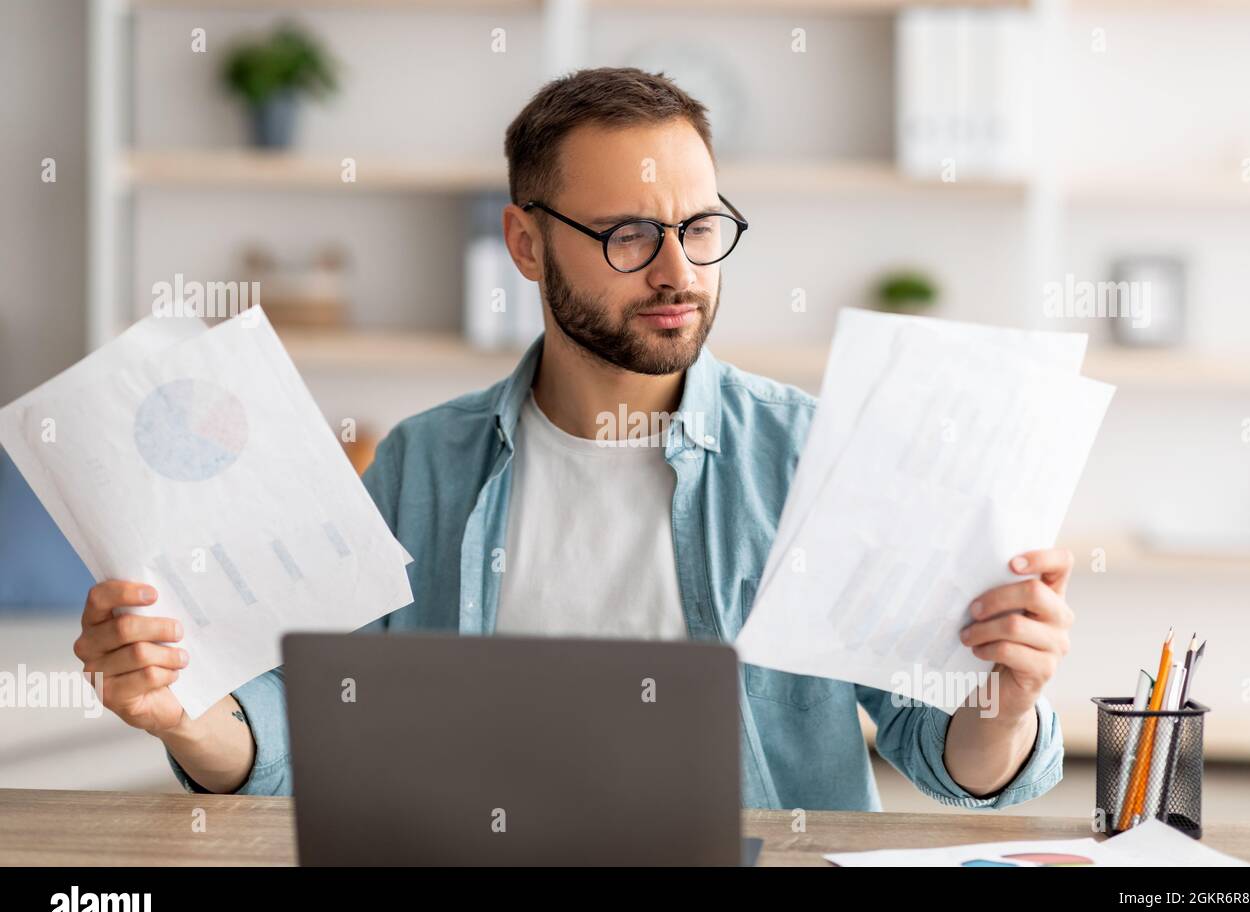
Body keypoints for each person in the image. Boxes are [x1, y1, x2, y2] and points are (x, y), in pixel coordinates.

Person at [74, 67, 1070, 810]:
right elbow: (294, 733)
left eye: (699, 227)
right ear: (524, 242)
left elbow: (949, 759)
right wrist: (186, 717)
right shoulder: (424, 463)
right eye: (628, 235)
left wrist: (1007, 698)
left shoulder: (817, 456)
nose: (677, 271)